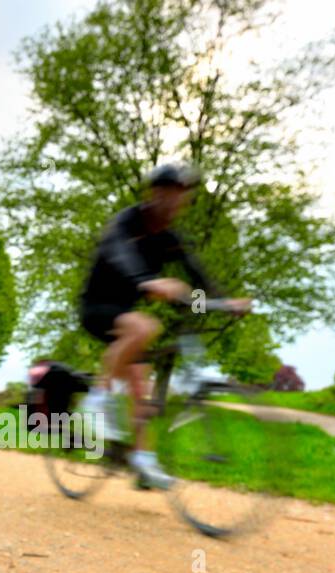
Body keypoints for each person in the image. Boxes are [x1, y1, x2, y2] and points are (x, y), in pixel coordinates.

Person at [78, 163, 249, 488]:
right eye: (170, 194)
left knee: (141, 386)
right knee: (144, 327)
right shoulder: (127, 222)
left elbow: (197, 276)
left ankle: (142, 462)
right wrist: (148, 282)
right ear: (155, 194)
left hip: (127, 313)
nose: (176, 203)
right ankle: (96, 400)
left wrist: (223, 302)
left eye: (182, 197)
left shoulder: (171, 238)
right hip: (97, 308)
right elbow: (118, 254)